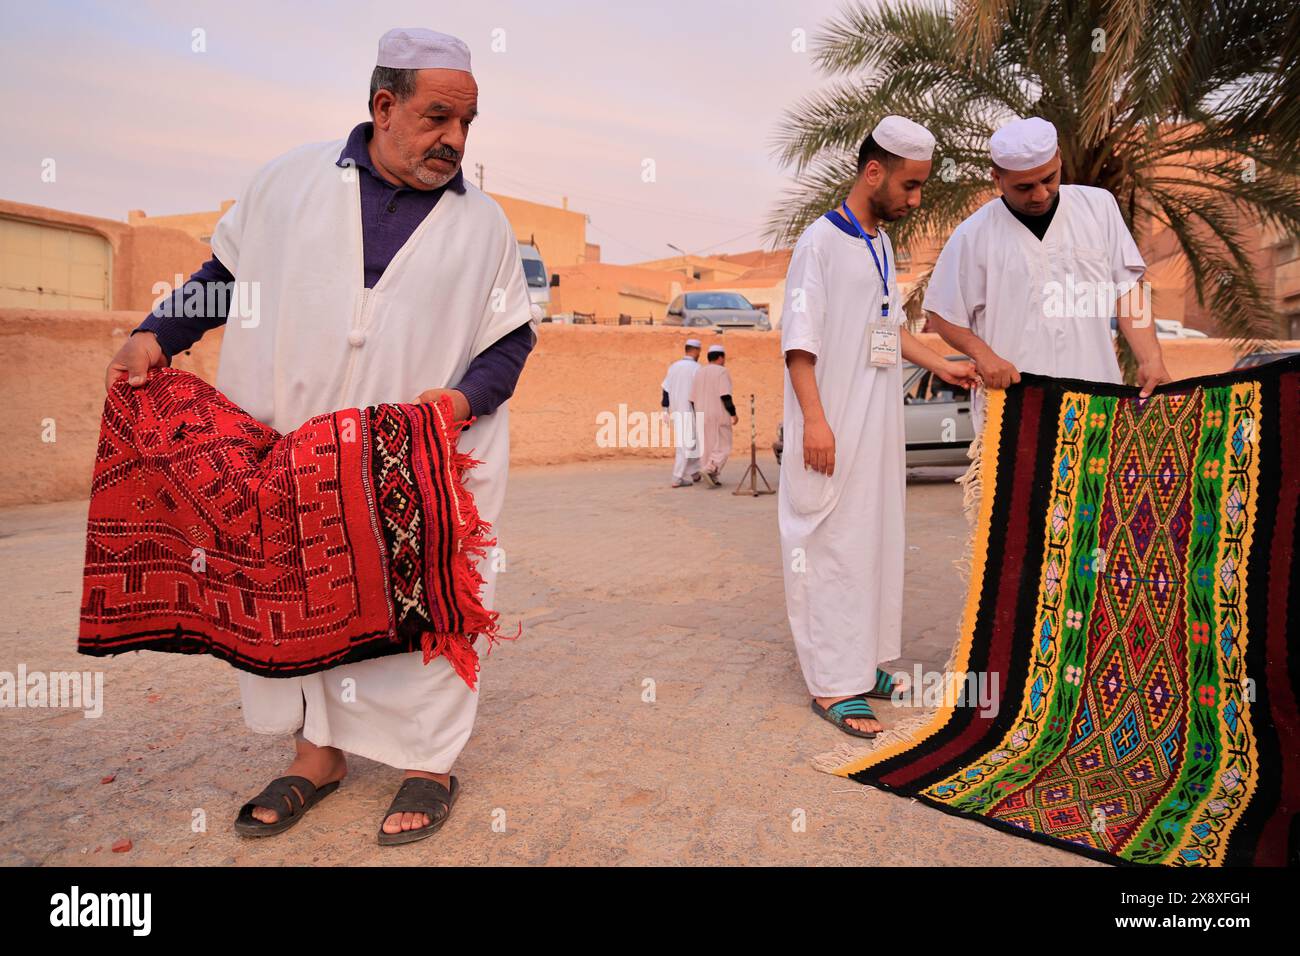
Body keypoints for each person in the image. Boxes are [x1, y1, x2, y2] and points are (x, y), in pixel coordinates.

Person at [102, 28, 535, 845]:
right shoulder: (288, 183)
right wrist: (156, 337)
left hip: (414, 455)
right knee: (303, 595)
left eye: (469, 124)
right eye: (438, 117)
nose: (456, 140)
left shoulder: (485, 225)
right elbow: (221, 280)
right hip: (292, 452)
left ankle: (430, 762)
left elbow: (511, 339)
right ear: (384, 105)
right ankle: (319, 754)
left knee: (424, 600)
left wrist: (462, 401)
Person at [779, 116, 978, 738]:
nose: (915, 200)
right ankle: (832, 686)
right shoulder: (819, 243)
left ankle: (863, 667)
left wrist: (948, 364)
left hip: (877, 427)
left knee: (872, 544)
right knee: (830, 548)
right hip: (832, 424)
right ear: (874, 172)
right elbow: (799, 342)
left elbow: (885, 333)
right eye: (911, 187)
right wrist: (815, 420)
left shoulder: (879, 244)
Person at [924, 115, 1171, 437]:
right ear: (996, 177)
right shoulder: (972, 235)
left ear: (1058, 159)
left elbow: (1128, 291)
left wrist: (1151, 358)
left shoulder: (1099, 208)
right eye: (1024, 187)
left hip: (1096, 399)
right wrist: (985, 357)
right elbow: (942, 313)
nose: (1040, 194)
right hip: (1013, 407)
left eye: (1049, 179)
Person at [690, 344, 737, 486]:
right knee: (724, 445)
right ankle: (711, 468)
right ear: (721, 357)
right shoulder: (722, 371)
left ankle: (712, 476)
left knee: (707, 446)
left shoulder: (699, 372)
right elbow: (725, 395)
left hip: (700, 414)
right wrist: (733, 413)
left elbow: (691, 399)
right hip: (718, 414)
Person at [661, 339, 702, 487]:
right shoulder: (697, 368)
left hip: (676, 410)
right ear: (696, 351)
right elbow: (698, 392)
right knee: (685, 445)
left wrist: (665, 409)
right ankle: (677, 477)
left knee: (694, 443)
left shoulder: (674, 367)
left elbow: (665, 389)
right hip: (688, 411)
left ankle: (695, 472)